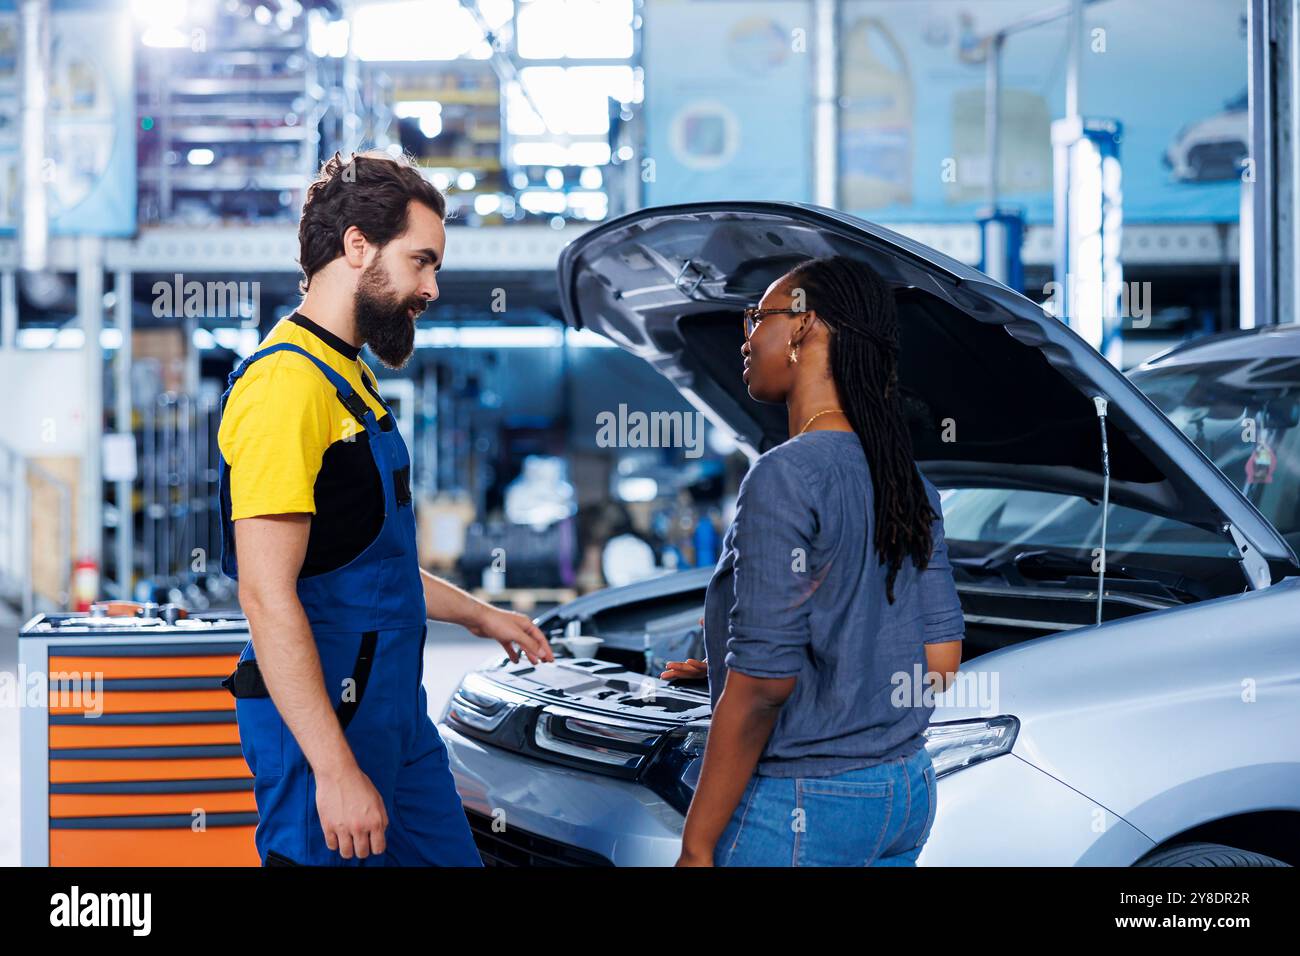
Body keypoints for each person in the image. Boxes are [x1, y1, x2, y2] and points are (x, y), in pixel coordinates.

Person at [216, 150, 553, 866]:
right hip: (326, 720)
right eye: (422, 262)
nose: (431, 288)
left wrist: (480, 614)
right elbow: (266, 594)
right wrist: (335, 772)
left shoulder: (348, 376)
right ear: (357, 246)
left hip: (393, 711)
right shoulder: (287, 389)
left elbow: (366, 562)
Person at [664, 254, 964, 867]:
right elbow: (940, 658)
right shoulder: (906, 478)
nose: (746, 337)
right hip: (902, 792)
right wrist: (745, 671)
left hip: (802, 806)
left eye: (758, 317)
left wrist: (697, 846)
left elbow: (765, 686)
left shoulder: (784, 474)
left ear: (804, 326)